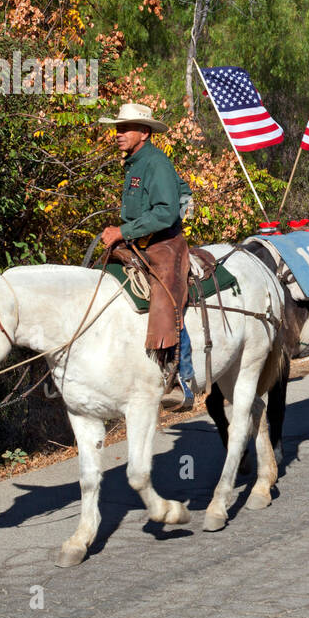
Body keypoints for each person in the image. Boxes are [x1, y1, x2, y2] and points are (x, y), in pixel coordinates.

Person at [97, 103, 193, 408]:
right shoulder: (134, 162)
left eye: (125, 129)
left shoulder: (155, 162)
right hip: (140, 240)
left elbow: (165, 213)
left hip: (165, 242)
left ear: (144, 132)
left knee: (165, 293)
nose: (118, 134)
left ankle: (182, 377)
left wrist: (122, 233)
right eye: (118, 128)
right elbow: (179, 189)